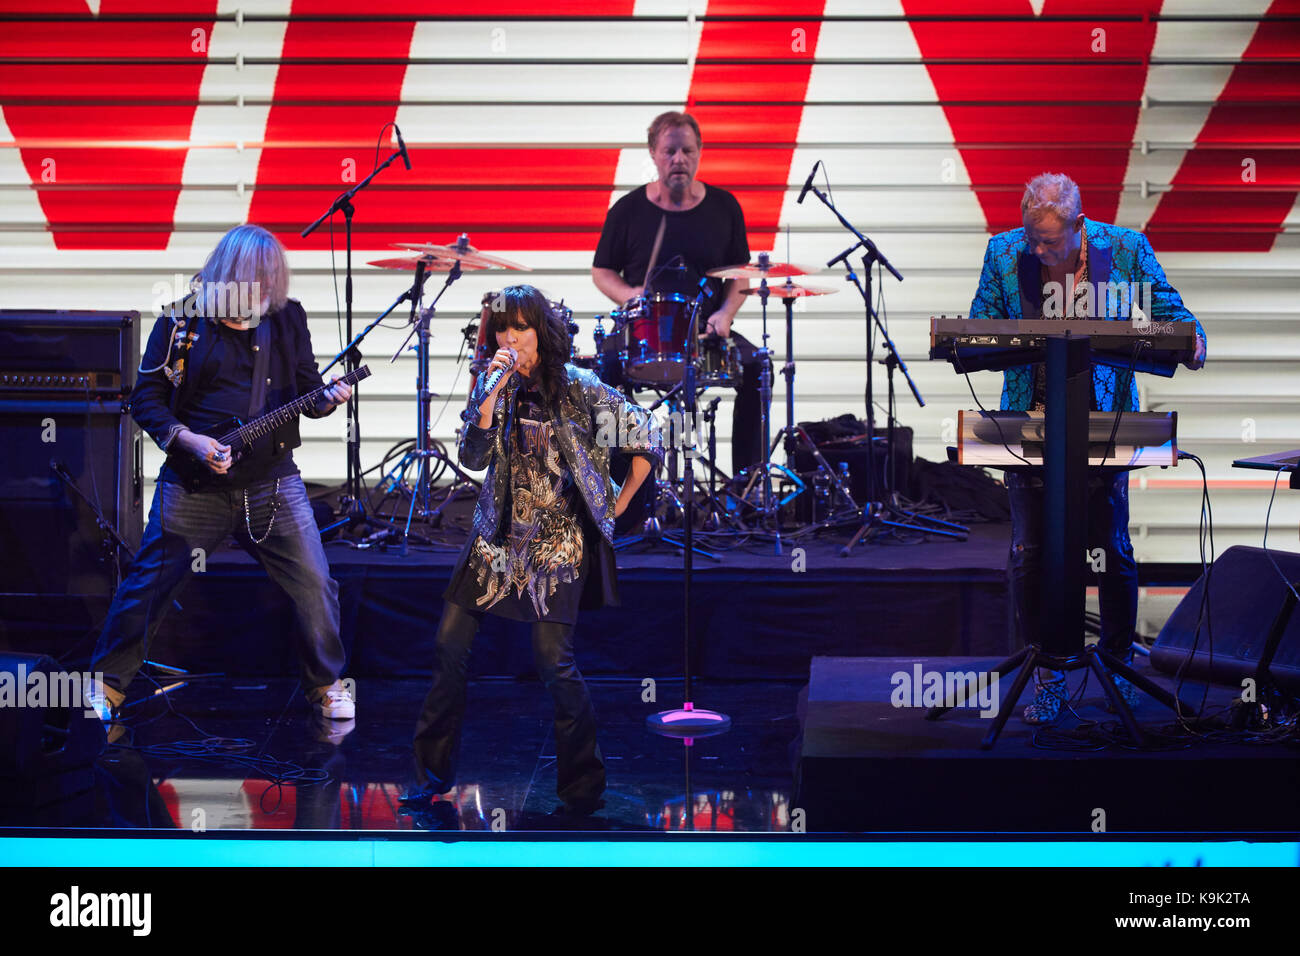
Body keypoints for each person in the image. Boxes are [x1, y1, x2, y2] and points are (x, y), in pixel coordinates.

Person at [407, 285, 662, 817]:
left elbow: (646, 440)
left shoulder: (581, 389)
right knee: (449, 646)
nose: (508, 338)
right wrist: (488, 398)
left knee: (555, 664)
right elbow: (473, 457)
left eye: (518, 328)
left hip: (556, 544)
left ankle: (582, 789)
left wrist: (615, 510)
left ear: (539, 332)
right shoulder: (492, 387)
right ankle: (429, 776)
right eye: (501, 329)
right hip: (496, 538)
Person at [85, 224, 355, 723]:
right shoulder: (181, 324)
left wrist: (329, 399)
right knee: (152, 582)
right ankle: (107, 686)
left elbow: (308, 392)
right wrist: (190, 440)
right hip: (194, 485)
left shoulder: (287, 320)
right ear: (228, 277)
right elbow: (145, 400)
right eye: (255, 283)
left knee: (315, 582)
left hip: (272, 482)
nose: (265, 294)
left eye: (271, 283)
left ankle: (325, 684)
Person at [969, 172, 1207, 724]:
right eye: (1032, 236)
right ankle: (1048, 674)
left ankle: (1120, 666)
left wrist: (1192, 339)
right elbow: (981, 325)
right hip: (1029, 425)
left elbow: (1173, 312)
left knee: (1111, 549)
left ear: (1079, 224)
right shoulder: (1004, 253)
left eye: (1050, 240)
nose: (1038, 248)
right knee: (1031, 551)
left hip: (1102, 424)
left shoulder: (1125, 250)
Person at [592, 109, 766, 475]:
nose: (679, 160)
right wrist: (629, 295)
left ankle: (745, 484)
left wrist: (725, 315)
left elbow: (741, 276)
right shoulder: (628, 210)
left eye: (687, 151)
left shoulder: (724, 207)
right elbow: (602, 271)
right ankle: (615, 487)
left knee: (758, 367)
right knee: (603, 371)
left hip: (705, 332)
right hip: (641, 330)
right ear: (653, 154)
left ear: (700, 152)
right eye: (670, 151)